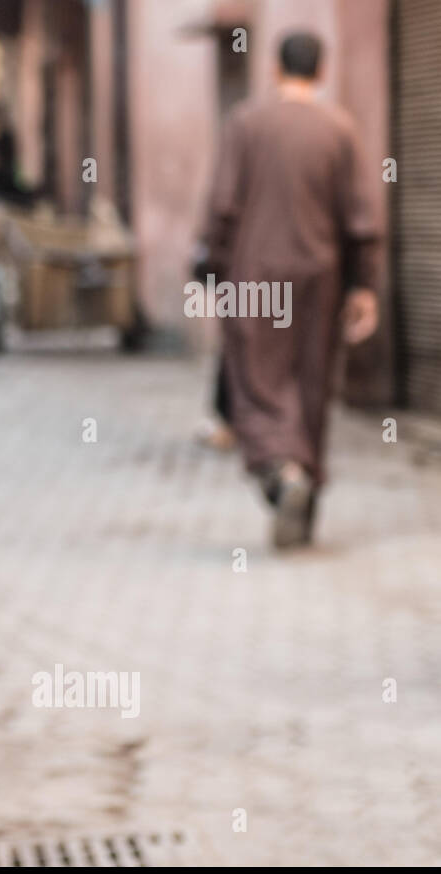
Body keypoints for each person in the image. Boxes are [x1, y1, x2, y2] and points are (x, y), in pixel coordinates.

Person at [202, 31, 382, 548]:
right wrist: (364, 286)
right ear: (321, 71)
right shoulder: (340, 129)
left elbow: (221, 207)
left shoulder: (246, 124)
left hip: (255, 280)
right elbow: (361, 220)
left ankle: (283, 475)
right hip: (319, 279)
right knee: (311, 385)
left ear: (276, 70)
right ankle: (304, 504)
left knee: (258, 384)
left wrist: (212, 267)